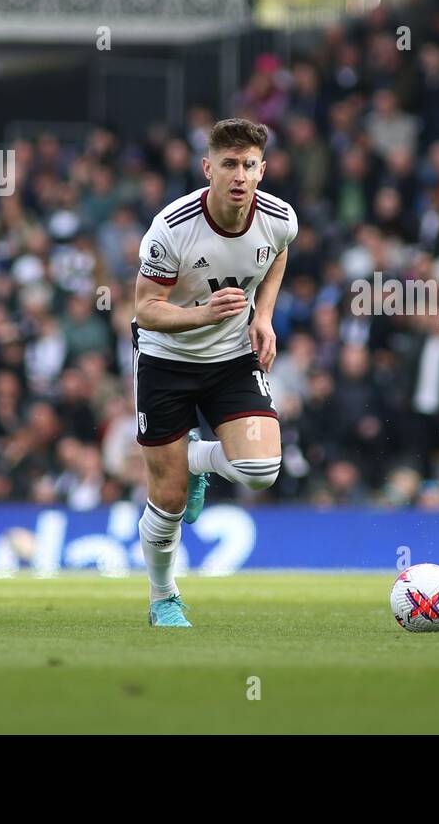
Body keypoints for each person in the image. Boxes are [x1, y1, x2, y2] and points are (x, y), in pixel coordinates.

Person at [132, 118, 297, 627]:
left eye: (249, 165)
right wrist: (203, 314)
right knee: (168, 498)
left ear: (262, 170)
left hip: (231, 359)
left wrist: (263, 316)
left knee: (261, 471)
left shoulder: (280, 218)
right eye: (229, 164)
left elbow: (277, 256)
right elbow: (145, 310)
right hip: (166, 358)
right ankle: (163, 598)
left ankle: (198, 460)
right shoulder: (171, 227)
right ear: (208, 168)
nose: (240, 175)